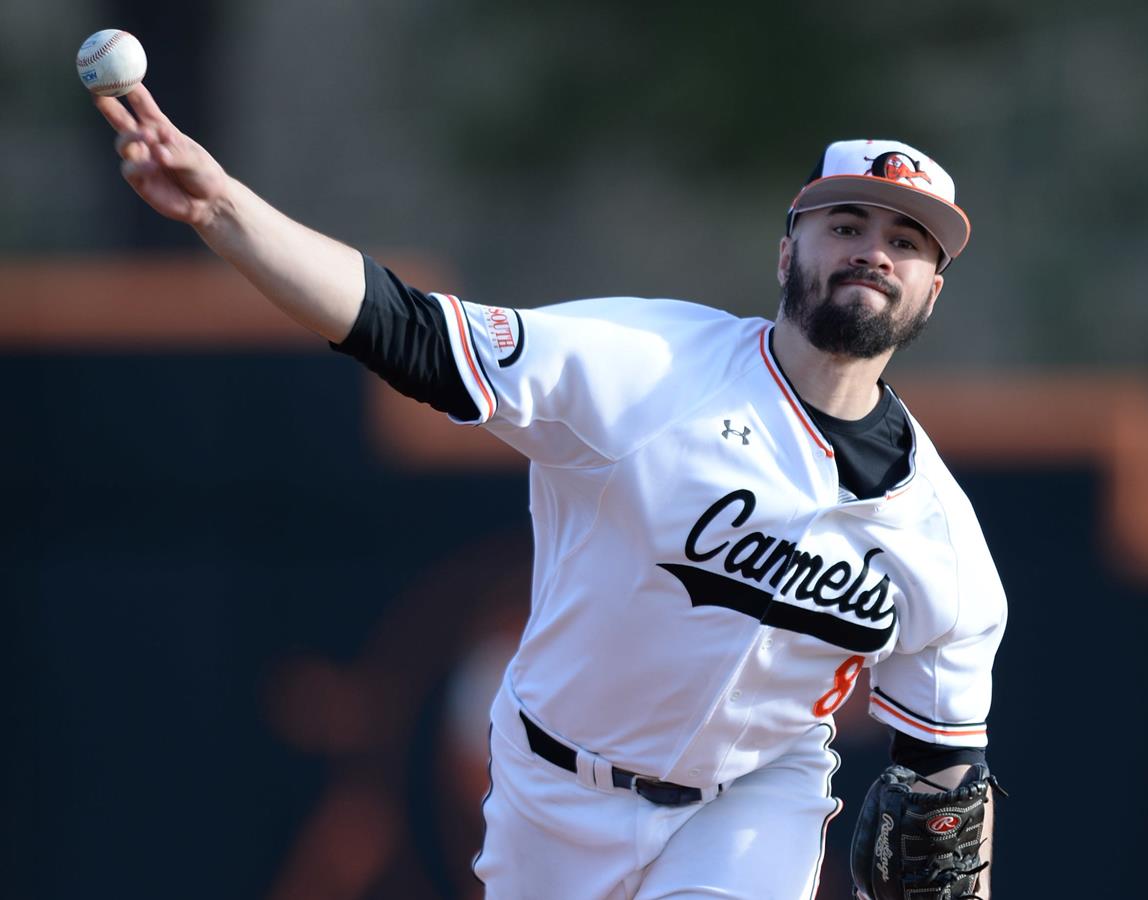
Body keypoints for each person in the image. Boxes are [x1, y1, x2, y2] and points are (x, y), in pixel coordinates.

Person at [96, 85, 1007, 900]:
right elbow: (406, 330)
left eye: (906, 241)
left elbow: (943, 791)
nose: (874, 253)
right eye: (846, 225)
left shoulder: (946, 549)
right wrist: (223, 209)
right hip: (553, 785)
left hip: (753, 799)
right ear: (786, 252)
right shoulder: (649, 371)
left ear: (933, 289)